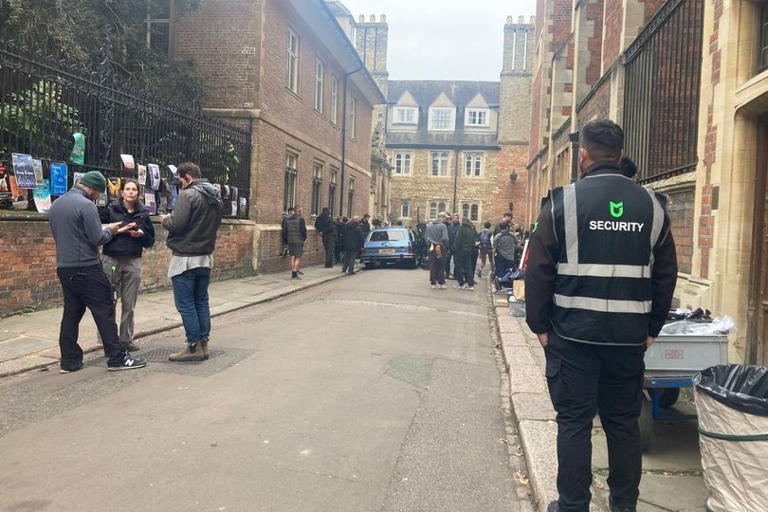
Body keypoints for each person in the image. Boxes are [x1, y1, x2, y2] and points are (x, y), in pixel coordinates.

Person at [525, 119, 678, 512]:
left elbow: (539, 271)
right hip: (628, 339)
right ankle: (623, 506)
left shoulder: (562, 203)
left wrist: (539, 326)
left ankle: (574, 505)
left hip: (572, 337)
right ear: (621, 155)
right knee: (623, 424)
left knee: (574, 422)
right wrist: (652, 328)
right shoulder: (653, 206)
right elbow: (665, 274)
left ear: (583, 156)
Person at [48, 170, 147, 372]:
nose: (97, 196)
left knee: (71, 314)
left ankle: (69, 361)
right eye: (98, 192)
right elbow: (97, 238)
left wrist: (106, 228)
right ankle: (117, 357)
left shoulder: (56, 205)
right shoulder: (86, 205)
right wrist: (112, 229)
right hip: (86, 266)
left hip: (64, 267)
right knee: (105, 310)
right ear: (92, 188)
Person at [159, 162, 224, 362]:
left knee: (186, 305)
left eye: (179, 180)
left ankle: (193, 346)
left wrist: (165, 220)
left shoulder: (189, 195)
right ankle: (204, 344)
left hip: (185, 258)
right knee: (201, 301)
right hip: (205, 257)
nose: (179, 184)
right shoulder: (215, 196)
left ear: (187, 177)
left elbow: (177, 224)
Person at [99, 178, 155, 352]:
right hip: (112, 259)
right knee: (109, 300)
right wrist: (116, 230)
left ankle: (126, 339)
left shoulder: (143, 213)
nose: (131, 192)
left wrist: (141, 235)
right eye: (128, 189)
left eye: (134, 189)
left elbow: (150, 240)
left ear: (138, 193)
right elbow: (99, 231)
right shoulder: (110, 210)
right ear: (121, 192)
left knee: (129, 303)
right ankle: (107, 339)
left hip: (133, 260)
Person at [425, 212, 450, 289]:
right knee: (441, 265)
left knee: (433, 265)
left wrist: (429, 245)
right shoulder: (443, 226)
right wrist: (447, 246)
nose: (446, 219)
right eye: (445, 218)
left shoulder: (429, 225)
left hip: (432, 247)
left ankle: (433, 283)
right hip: (440, 247)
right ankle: (441, 283)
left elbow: (426, 237)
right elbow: (445, 238)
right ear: (441, 217)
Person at [452, 216, 477, 290]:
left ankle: (461, 283)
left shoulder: (461, 229)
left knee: (459, 267)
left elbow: (458, 240)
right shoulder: (471, 230)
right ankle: (470, 284)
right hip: (468, 251)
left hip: (460, 251)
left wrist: (454, 249)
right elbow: (473, 242)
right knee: (468, 267)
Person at [285, 206, 307, 279]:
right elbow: (304, 231)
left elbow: (285, 231)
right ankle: (294, 273)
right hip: (298, 240)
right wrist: (303, 238)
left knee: (292, 256)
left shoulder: (288, 219)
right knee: (298, 257)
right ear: (299, 211)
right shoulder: (301, 219)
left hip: (290, 240)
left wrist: (287, 239)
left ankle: (293, 272)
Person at [445, 213, 460, 278]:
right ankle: (447, 273)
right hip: (449, 246)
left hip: (456, 247)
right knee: (447, 260)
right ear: (452, 218)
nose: (455, 219)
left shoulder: (460, 226)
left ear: (458, 219)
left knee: (456, 262)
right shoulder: (449, 226)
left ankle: (455, 275)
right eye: (454, 218)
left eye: (456, 218)